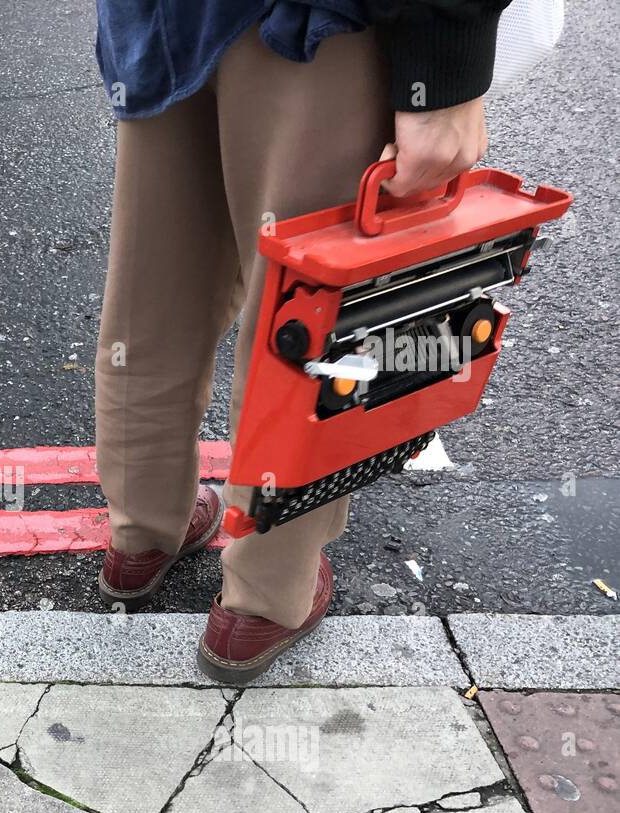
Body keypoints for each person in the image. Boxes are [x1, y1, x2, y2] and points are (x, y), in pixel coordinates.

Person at [93, 0, 508, 682]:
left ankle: (141, 533)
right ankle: (264, 596)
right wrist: (445, 59)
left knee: (159, 273)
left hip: (160, 17)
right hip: (311, 23)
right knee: (303, 310)